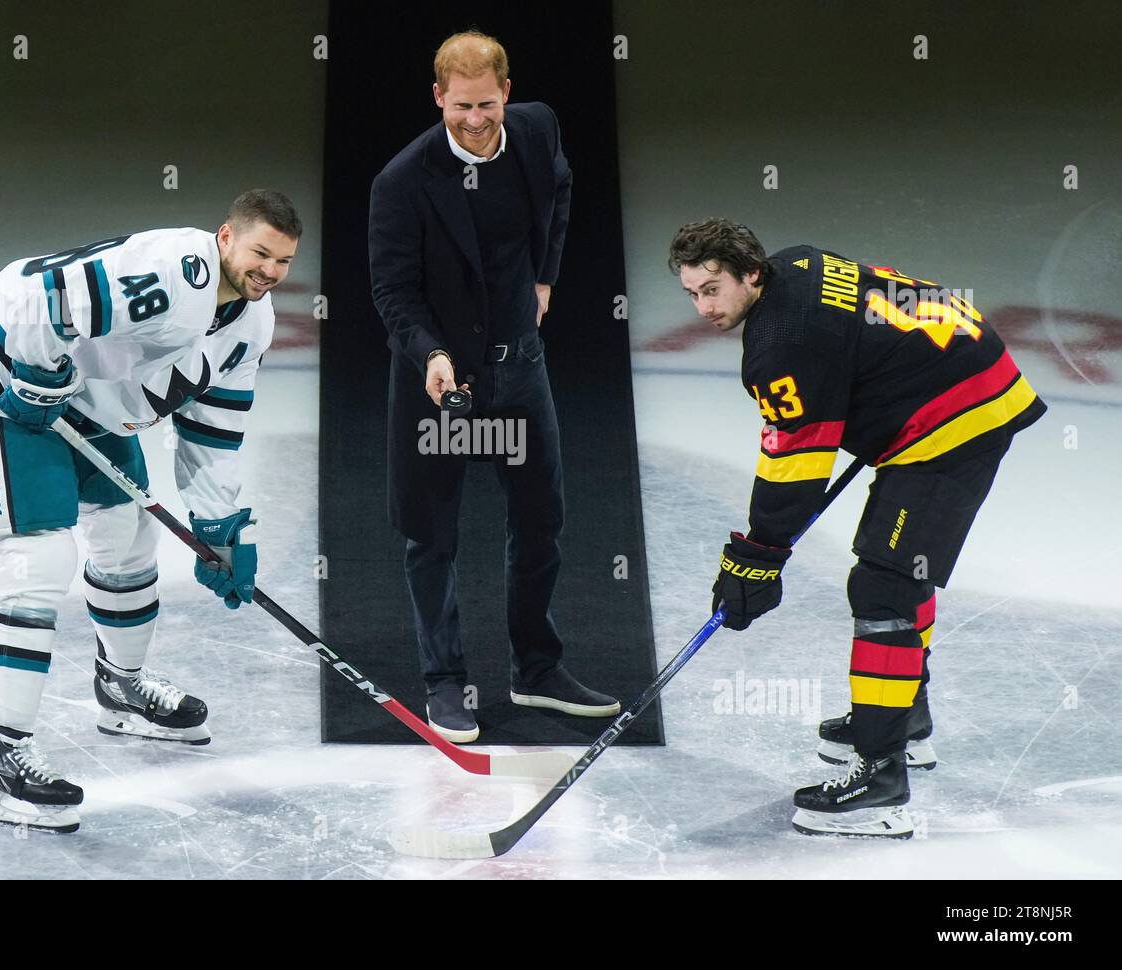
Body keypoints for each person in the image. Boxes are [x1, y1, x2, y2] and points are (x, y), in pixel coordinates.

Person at [0, 189, 301, 832]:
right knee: (41, 556)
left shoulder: (252, 321)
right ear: (225, 238)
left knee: (130, 534)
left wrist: (219, 528)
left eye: (284, 261)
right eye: (259, 252)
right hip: (2, 373)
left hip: (86, 400)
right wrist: (37, 371)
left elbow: (212, 430)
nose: (268, 271)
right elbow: (56, 296)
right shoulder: (175, 272)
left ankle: (120, 686)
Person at [669, 218, 1045, 838]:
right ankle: (901, 721)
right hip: (961, 373)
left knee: (884, 585)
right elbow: (859, 347)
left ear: (751, 274)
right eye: (691, 293)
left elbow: (795, 465)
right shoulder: (799, 263)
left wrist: (756, 556)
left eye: (713, 289)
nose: (703, 306)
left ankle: (880, 780)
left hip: (957, 415)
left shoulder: (780, 344)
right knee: (897, 567)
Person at [368, 31, 618, 743]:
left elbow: (562, 189)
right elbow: (392, 292)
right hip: (443, 383)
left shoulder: (537, 130)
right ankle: (445, 685)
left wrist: (545, 276)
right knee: (432, 537)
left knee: (541, 524)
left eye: (486, 104)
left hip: (521, 370)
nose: (475, 120)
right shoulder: (402, 182)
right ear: (438, 97)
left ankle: (536, 670)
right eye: (460, 107)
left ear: (506, 93)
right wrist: (432, 355)